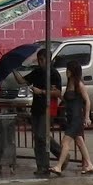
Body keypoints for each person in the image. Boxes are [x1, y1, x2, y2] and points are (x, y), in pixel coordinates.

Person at [21, 46, 64, 176]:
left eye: (42, 60)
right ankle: (41, 166)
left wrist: (42, 92)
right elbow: (22, 81)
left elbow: (57, 93)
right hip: (36, 107)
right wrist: (13, 70)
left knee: (42, 136)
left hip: (47, 108)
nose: (40, 62)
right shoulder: (37, 72)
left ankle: (60, 154)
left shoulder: (54, 74)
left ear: (48, 60)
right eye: (38, 60)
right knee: (38, 137)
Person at [51, 60, 93, 176]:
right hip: (70, 117)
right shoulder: (69, 84)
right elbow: (67, 100)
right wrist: (59, 94)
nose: (67, 72)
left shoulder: (79, 84)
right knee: (79, 141)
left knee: (65, 141)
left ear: (73, 71)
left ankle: (59, 166)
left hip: (76, 118)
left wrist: (87, 117)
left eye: (69, 70)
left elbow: (87, 101)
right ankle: (89, 164)